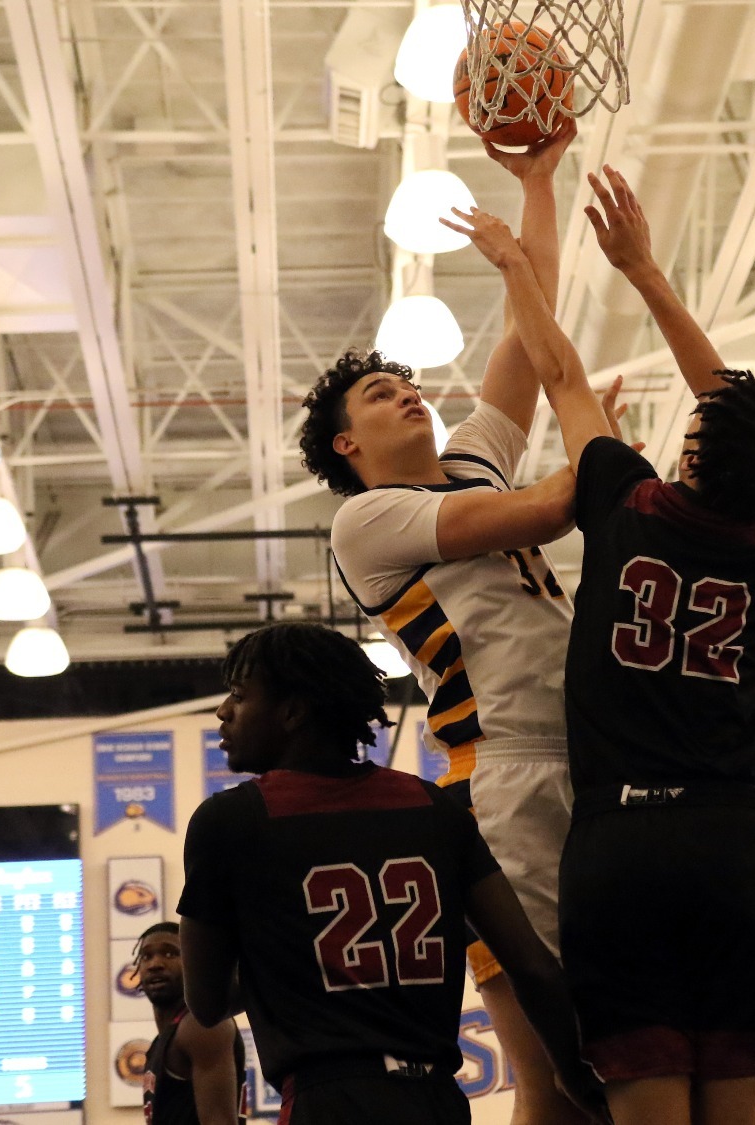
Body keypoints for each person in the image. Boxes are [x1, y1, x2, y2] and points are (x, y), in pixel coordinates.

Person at [445, 165, 755, 1125]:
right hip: (733, 844)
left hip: (621, 845)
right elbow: (742, 416)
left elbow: (561, 373)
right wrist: (648, 277)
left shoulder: (628, 502)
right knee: (747, 1098)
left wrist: (526, 268)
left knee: (643, 1102)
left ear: (690, 452)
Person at [301, 123, 599, 1125]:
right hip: (501, 777)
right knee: (551, 1072)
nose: (409, 395)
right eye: (381, 395)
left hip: (594, 753)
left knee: (620, 1048)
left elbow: (530, 330)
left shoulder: (473, 456)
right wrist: (605, 457)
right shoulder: (368, 521)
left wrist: (538, 182)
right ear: (348, 445)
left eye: (410, 384)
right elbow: (546, 511)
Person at [175, 623, 604, 1125]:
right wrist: (572, 1072)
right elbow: (532, 966)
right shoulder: (433, 807)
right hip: (437, 1100)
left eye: (239, 695)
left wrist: (288, 961)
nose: (223, 711)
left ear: (292, 712)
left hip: (329, 1099)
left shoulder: (229, 820)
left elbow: (206, 1003)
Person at [133, 922, 243, 1125]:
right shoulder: (161, 1043)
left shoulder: (202, 1026)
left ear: (193, 962)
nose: (155, 964)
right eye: (146, 956)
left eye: (170, 953)